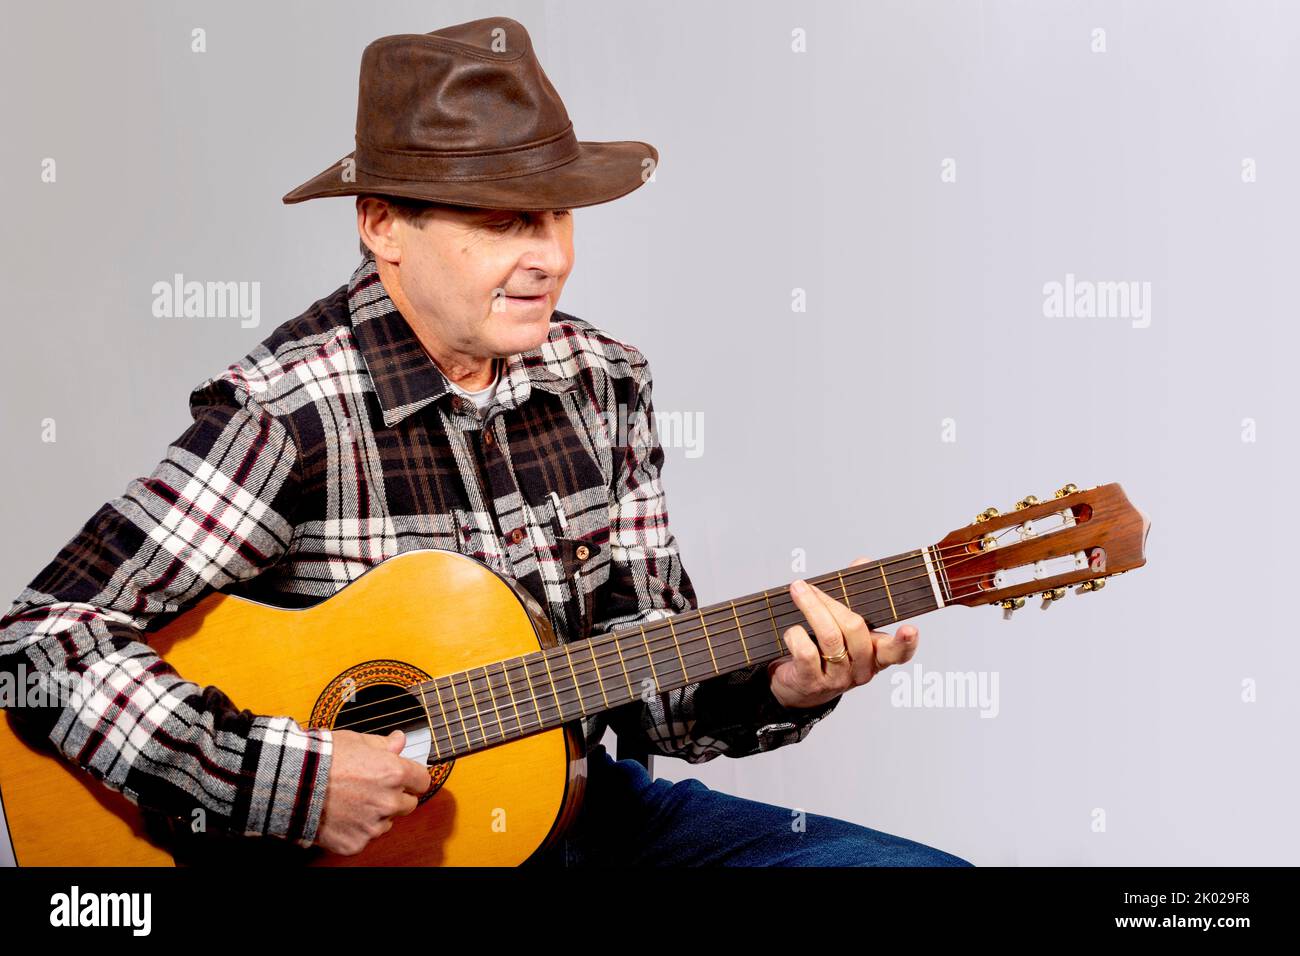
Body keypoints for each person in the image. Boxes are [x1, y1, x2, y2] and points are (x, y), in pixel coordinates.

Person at [0, 16, 970, 867]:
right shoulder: (291, 409)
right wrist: (282, 783)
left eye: (555, 215)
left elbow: (648, 686)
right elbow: (35, 645)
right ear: (382, 224)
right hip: (375, 857)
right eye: (502, 221)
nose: (548, 256)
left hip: (582, 811)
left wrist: (783, 681)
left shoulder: (604, 380)